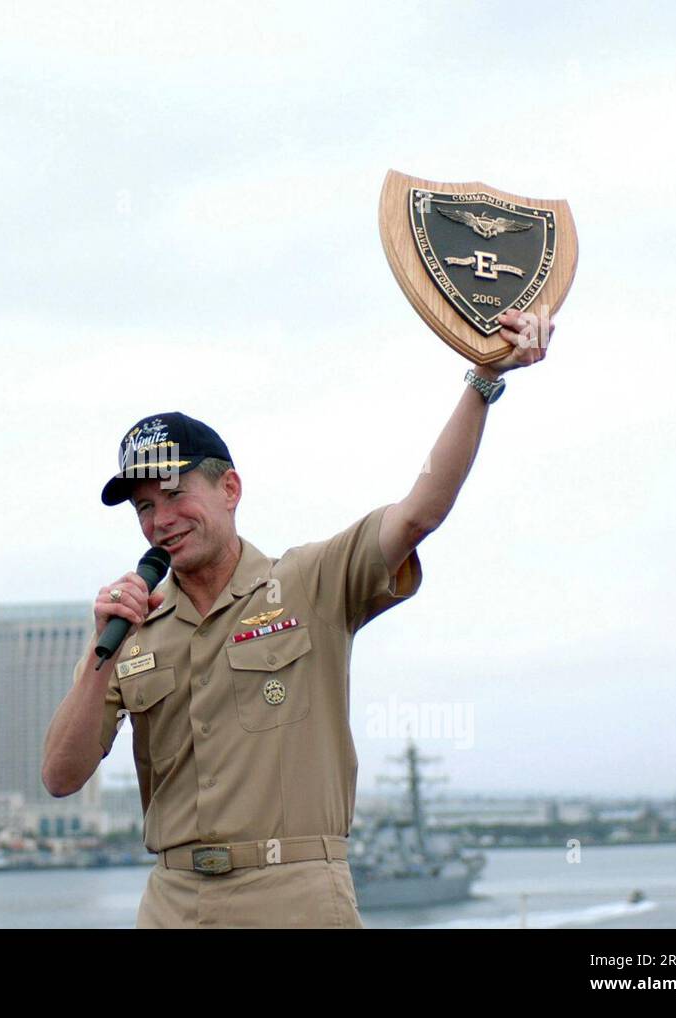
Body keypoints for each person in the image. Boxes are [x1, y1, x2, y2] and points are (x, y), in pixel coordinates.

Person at [42, 308, 554, 928]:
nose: (159, 522)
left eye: (175, 496)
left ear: (230, 489)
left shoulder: (310, 582)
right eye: (145, 508)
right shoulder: (130, 630)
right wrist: (101, 652)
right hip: (173, 901)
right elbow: (61, 777)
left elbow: (419, 511)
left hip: (296, 896)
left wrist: (482, 380)